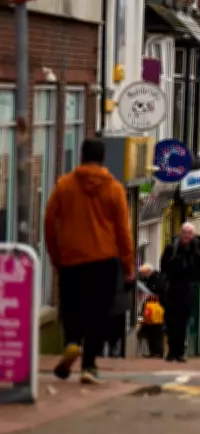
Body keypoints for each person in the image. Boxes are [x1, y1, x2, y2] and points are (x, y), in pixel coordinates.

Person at [44, 138, 135, 385]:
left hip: (72, 260)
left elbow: (49, 223)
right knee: (99, 314)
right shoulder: (114, 189)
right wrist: (128, 266)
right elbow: (123, 232)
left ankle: (72, 343)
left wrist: (56, 257)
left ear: (81, 156)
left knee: (72, 308)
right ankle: (89, 365)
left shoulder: (64, 186)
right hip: (104, 261)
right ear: (103, 158)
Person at [160, 222, 200, 362]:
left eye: (189, 233)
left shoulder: (196, 252)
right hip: (172, 290)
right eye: (184, 232)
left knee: (182, 322)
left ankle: (179, 352)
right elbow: (163, 267)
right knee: (171, 322)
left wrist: (192, 285)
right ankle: (172, 351)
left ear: (193, 235)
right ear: (180, 233)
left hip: (186, 292)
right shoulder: (171, 248)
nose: (186, 236)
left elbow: (199, 272)